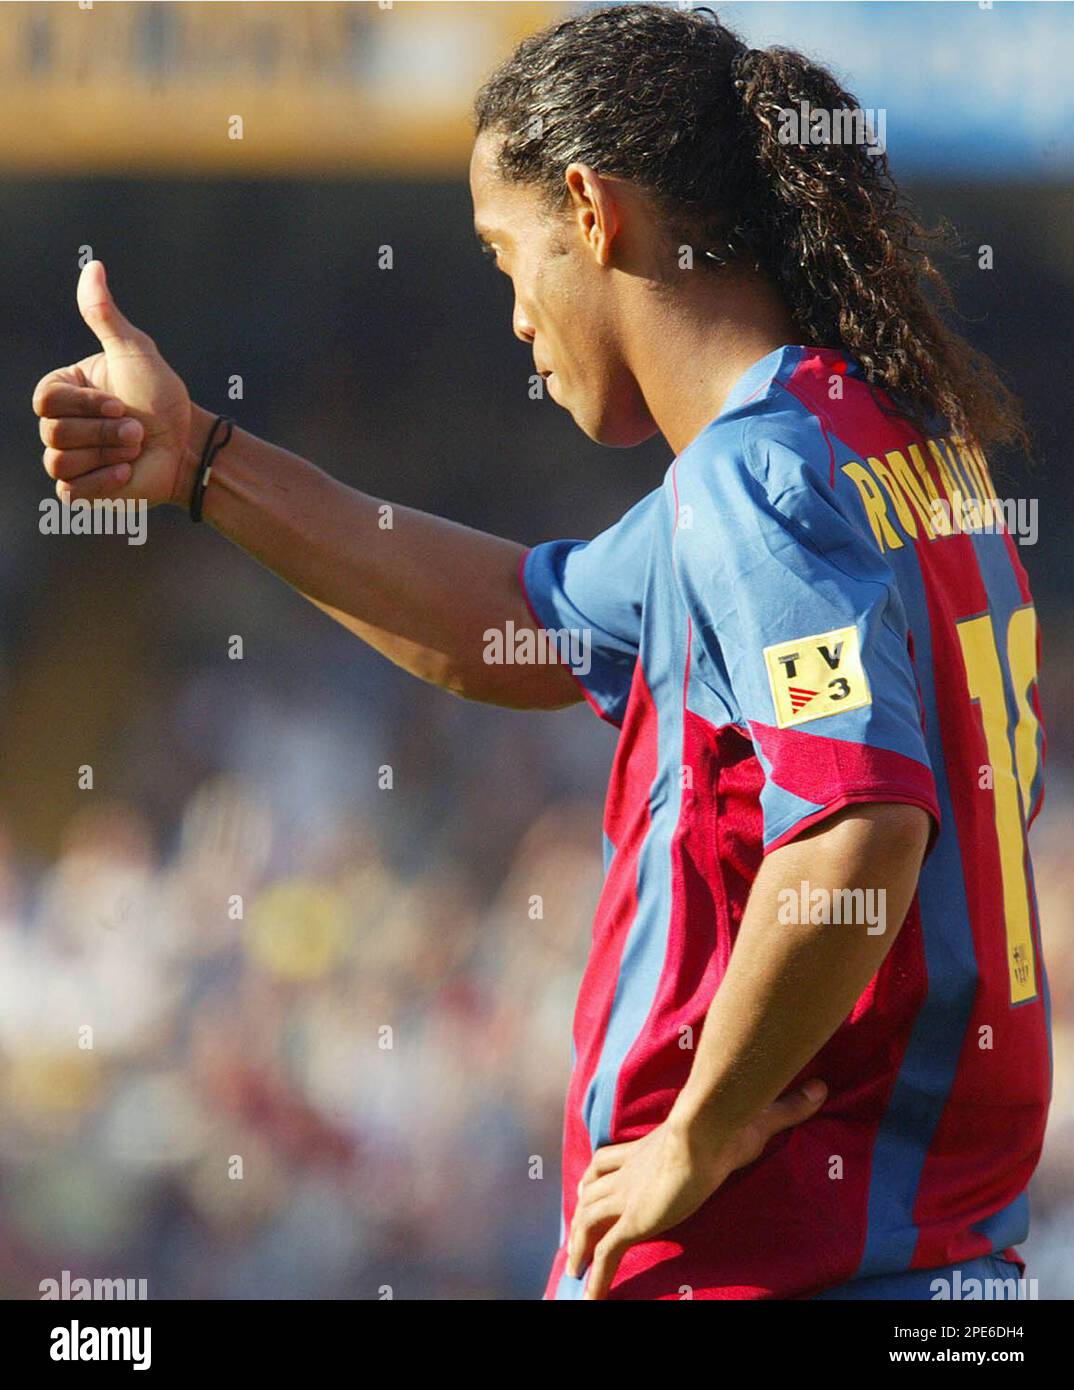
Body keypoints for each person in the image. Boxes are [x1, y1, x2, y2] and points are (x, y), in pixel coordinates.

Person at [32, 4, 1049, 1301]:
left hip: (770, 1266)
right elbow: (510, 622)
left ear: (590, 209)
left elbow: (856, 830)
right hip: (940, 1264)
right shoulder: (884, 452)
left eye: (505, 254)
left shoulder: (757, 478)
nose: (514, 314)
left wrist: (695, 1128)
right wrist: (208, 467)